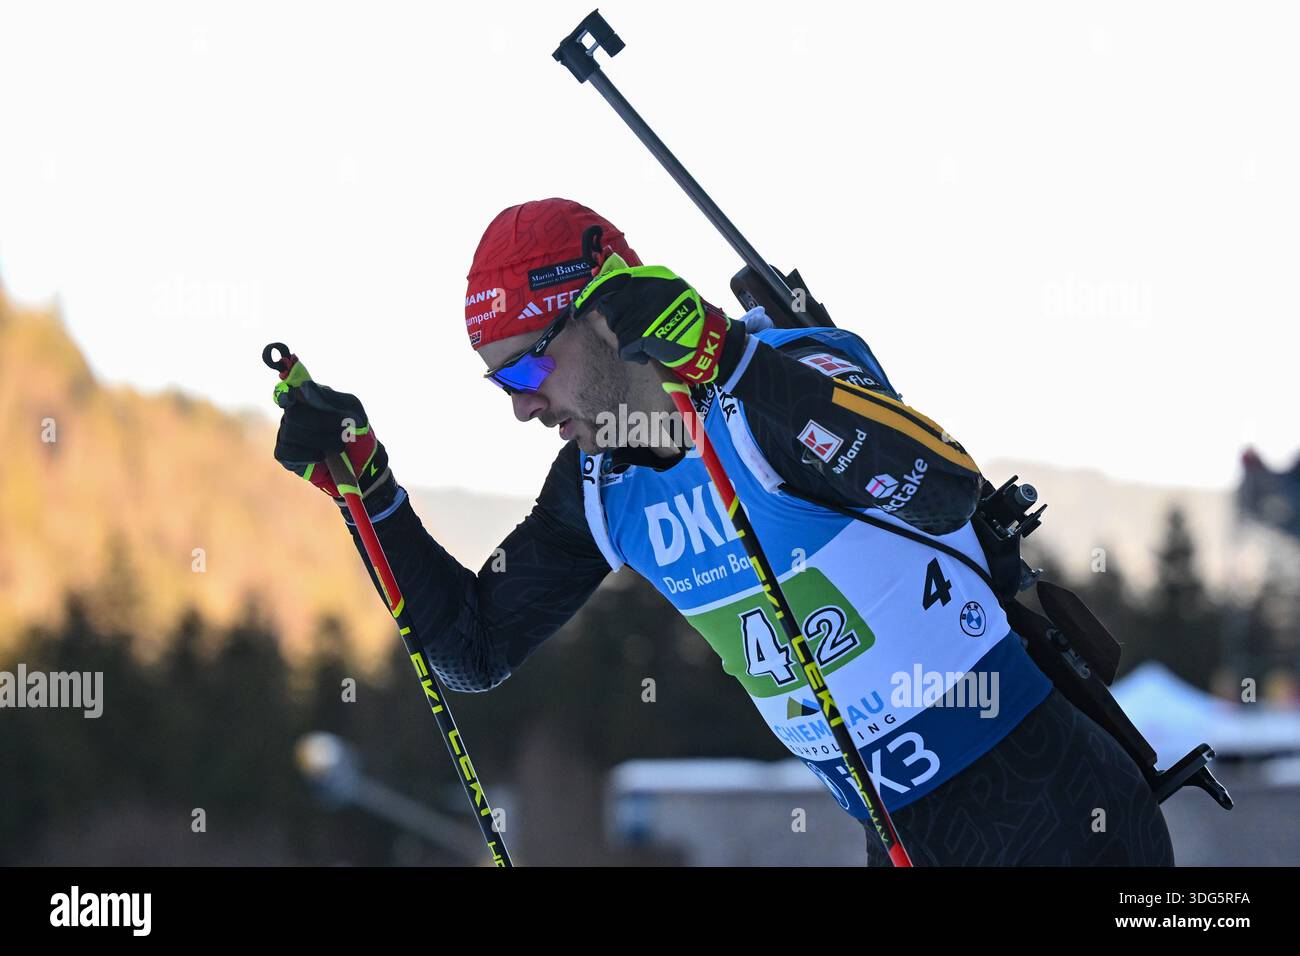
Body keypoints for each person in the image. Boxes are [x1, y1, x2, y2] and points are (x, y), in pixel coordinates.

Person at [273, 197, 1174, 865]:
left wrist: (727, 357)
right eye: (502, 385)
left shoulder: (777, 371)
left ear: (606, 312)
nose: (524, 406)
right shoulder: (602, 478)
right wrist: (372, 497)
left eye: (533, 366)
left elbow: (938, 488)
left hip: (1055, 806)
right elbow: (473, 649)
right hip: (900, 835)